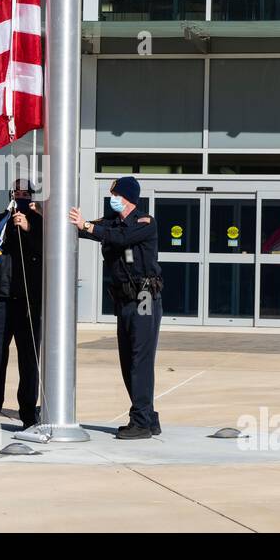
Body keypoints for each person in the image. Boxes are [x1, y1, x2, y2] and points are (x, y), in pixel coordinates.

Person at [69, 176, 163, 440]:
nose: (112, 198)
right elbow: (89, 230)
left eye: (115, 194)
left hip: (144, 298)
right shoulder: (112, 223)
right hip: (123, 299)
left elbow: (121, 238)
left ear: (127, 197)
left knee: (140, 361)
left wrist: (87, 224)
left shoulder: (144, 222)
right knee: (128, 362)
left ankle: (141, 422)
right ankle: (149, 417)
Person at [0, 179, 42, 430]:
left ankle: (28, 412)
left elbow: (47, 252)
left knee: (28, 358)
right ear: (10, 196)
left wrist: (29, 228)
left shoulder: (40, 223)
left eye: (26, 194)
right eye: (17, 193)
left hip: (27, 302)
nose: (20, 197)